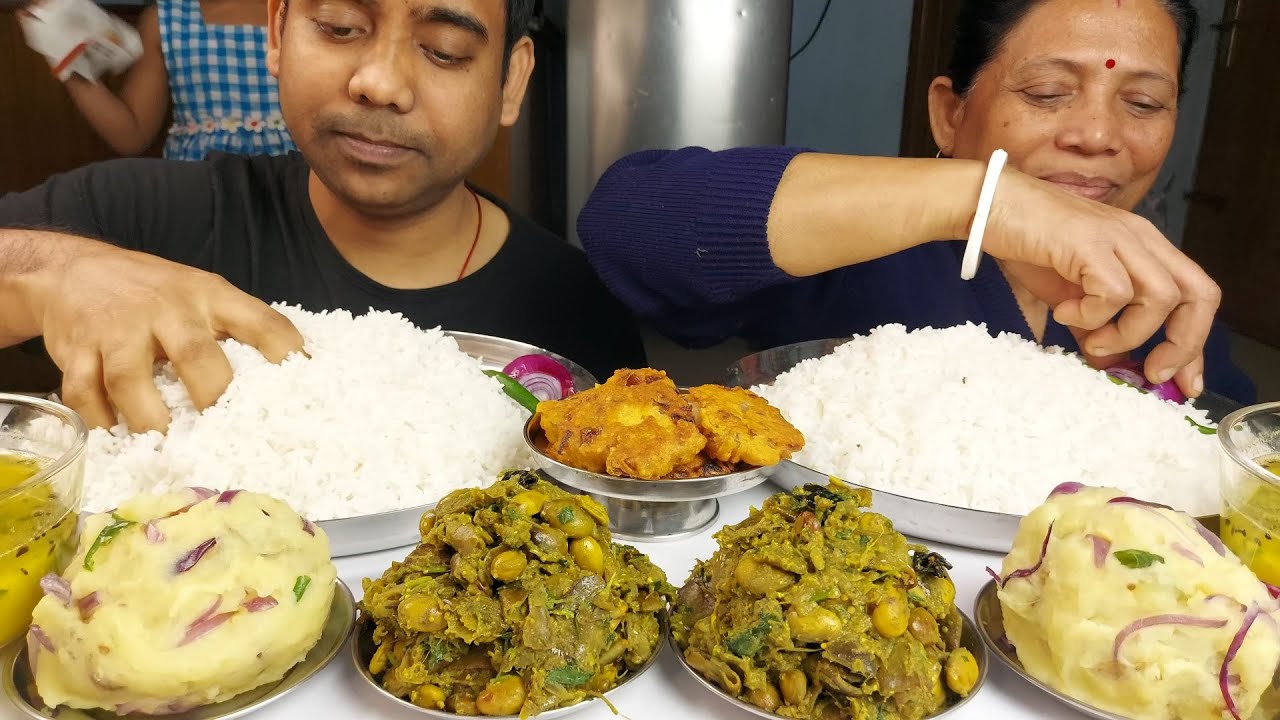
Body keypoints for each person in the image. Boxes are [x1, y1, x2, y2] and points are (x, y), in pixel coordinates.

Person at [0, 0, 645, 433]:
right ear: (278, 32)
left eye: (444, 50)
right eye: (339, 26)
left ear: (512, 81)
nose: (379, 82)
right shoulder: (137, 217)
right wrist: (60, 273)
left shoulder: (579, 307)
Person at [578, 0, 1255, 404]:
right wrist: (980, 198)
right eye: (1047, 93)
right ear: (949, 113)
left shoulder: (1167, 303)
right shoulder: (859, 250)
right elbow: (625, 224)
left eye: (1144, 103)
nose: (1098, 136)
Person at [28, 0, 296, 159]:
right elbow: (131, 135)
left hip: (294, 184)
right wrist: (63, 53)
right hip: (200, 191)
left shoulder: (300, 12)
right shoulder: (165, 19)